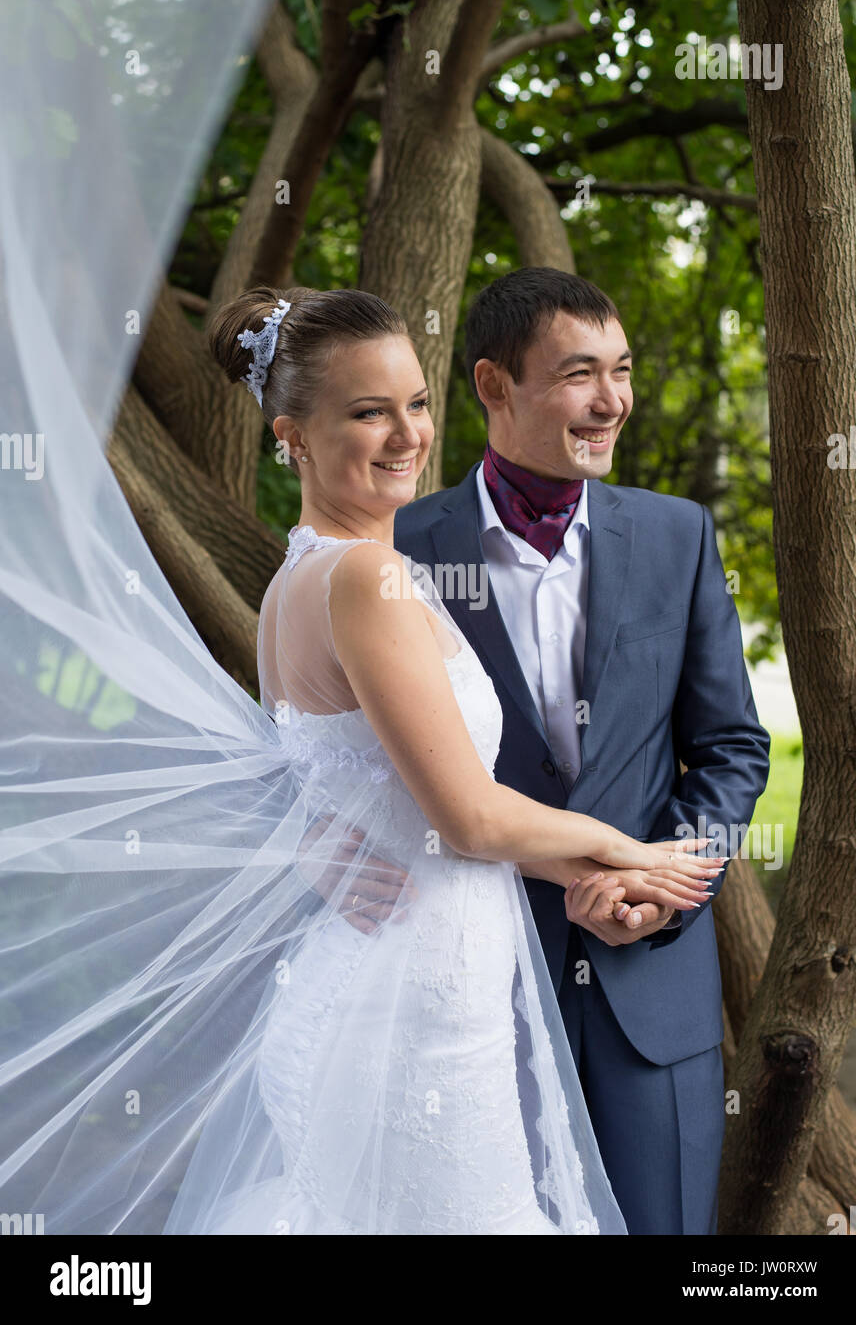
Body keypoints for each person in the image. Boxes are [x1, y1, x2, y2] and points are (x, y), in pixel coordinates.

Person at [189, 282, 718, 1234]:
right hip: (418, 1017)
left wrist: (637, 873)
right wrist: (632, 852)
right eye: (366, 412)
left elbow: (335, 775)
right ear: (291, 435)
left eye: (415, 404)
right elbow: (467, 816)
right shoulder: (372, 573)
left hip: (413, 987)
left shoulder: (297, 578)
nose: (405, 434)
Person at [392, 266, 772, 1234]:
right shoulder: (401, 550)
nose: (613, 401)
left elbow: (729, 748)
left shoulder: (678, 537)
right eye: (578, 374)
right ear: (492, 387)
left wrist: (665, 886)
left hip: (657, 1004)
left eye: (623, 370)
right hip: (477, 1001)